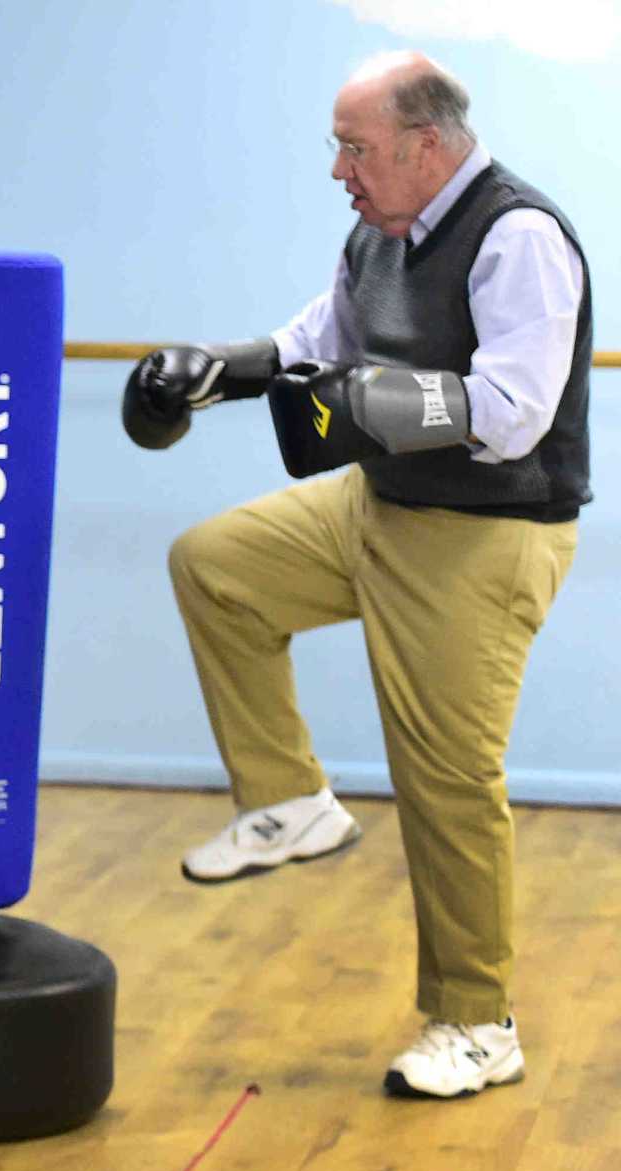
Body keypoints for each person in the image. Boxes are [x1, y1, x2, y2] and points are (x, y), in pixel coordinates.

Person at [123, 52, 590, 1100]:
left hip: (483, 536)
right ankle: (289, 801)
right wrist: (215, 369)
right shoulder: (379, 232)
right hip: (373, 507)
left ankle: (476, 1024)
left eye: (353, 146)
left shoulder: (517, 236)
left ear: (425, 145)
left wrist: (377, 406)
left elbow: (513, 407)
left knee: (445, 777)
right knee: (215, 567)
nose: (338, 167)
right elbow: (312, 342)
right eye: (337, 145)